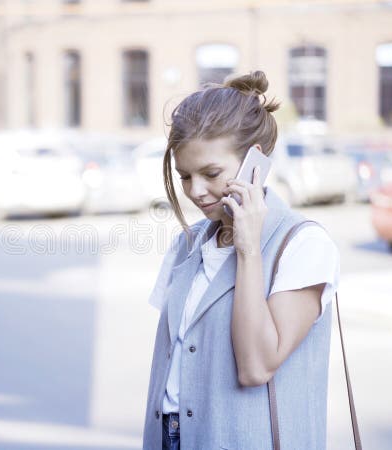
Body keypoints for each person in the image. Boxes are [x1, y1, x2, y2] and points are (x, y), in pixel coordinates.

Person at [143, 70, 340, 450]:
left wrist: (248, 249)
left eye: (211, 173)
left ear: (256, 163)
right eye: (184, 176)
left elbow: (255, 367)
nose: (196, 191)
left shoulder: (303, 245)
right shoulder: (186, 245)